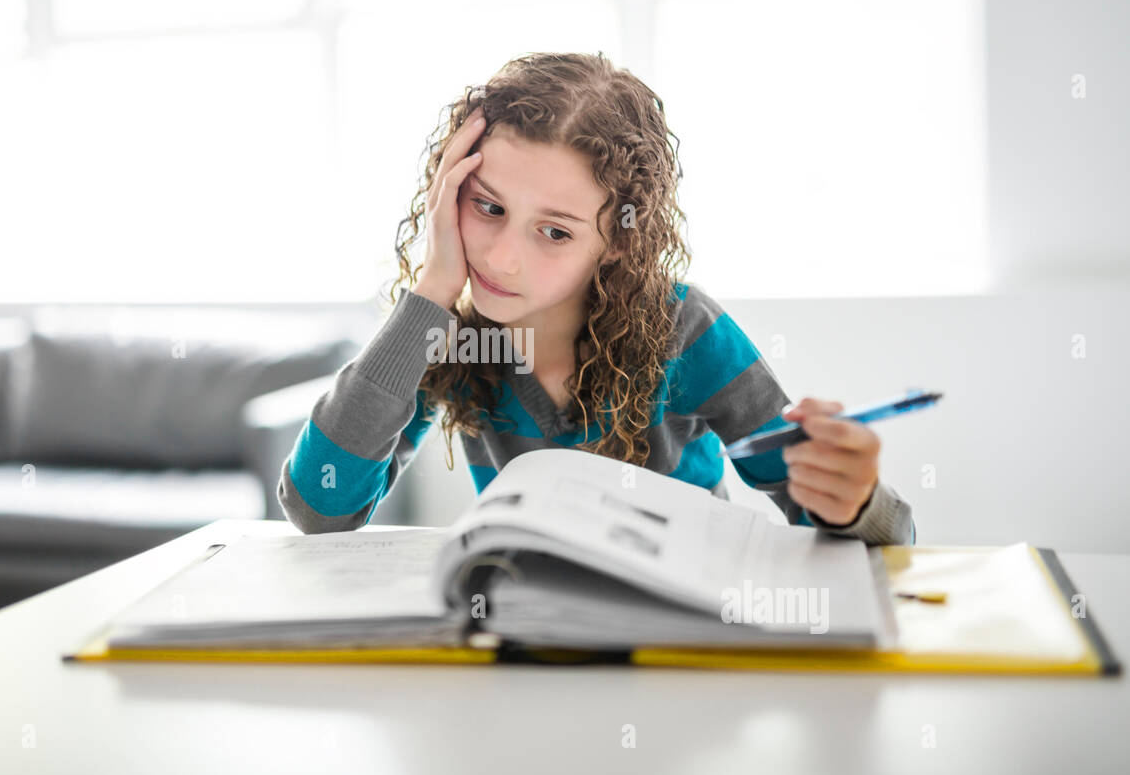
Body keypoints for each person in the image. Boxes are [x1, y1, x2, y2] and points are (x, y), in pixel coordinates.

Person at [278, 51, 914, 546]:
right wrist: (432, 292)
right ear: (449, 194)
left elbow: (864, 536)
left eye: (555, 231)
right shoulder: (445, 334)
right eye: (487, 206)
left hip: (681, 640)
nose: (501, 257)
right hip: (527, 634)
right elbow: (319, 508)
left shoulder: (685, 330)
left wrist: (856, 502)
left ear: (616, 240)